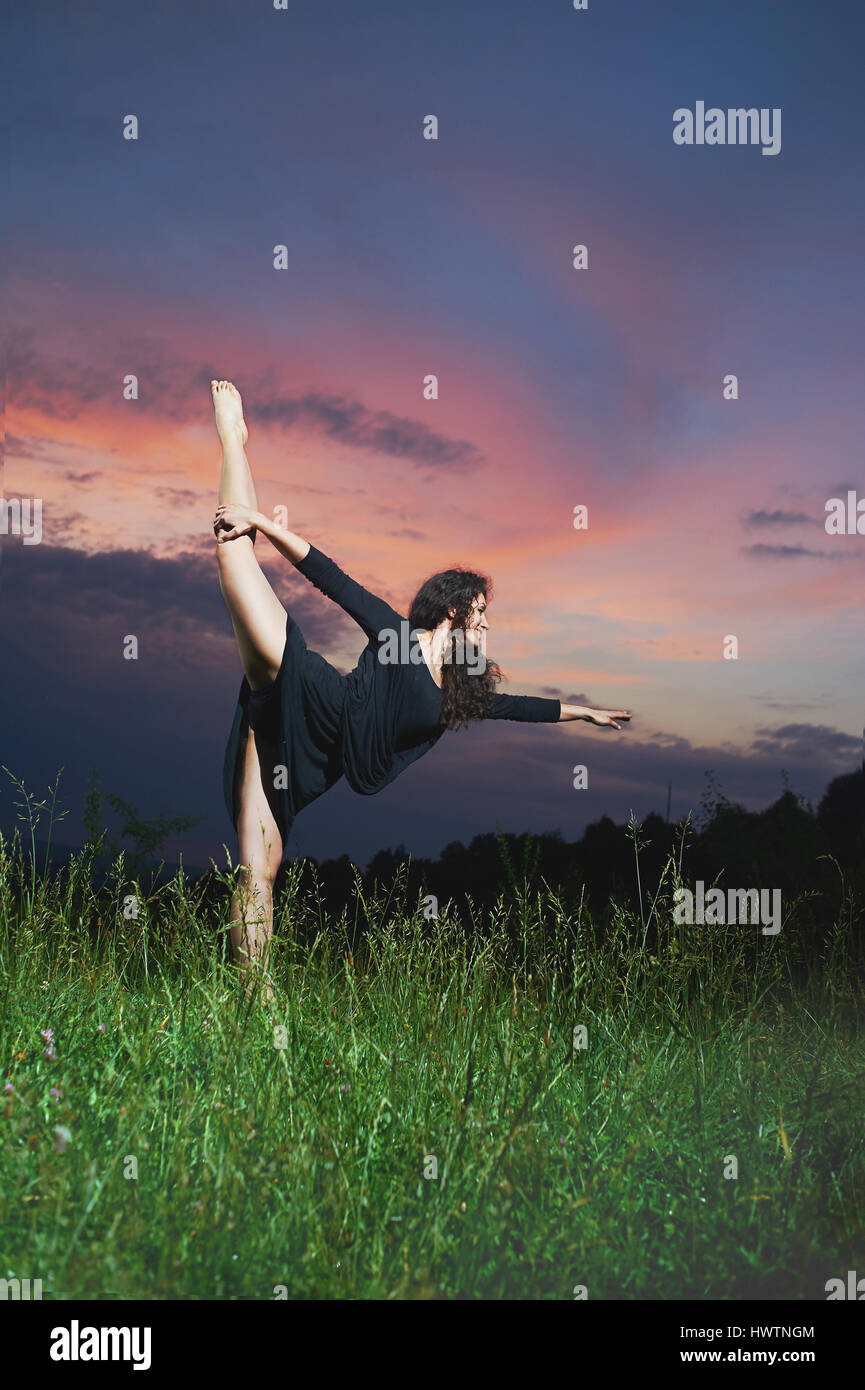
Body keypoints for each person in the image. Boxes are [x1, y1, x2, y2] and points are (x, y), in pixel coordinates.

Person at [210, 380, 630, 990]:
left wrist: (583, 713)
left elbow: (520, 708)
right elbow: (332, 578)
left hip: (308, 759)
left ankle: (251, 1007)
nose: (486, 621)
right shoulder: (395, 635)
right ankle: (233, 439)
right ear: (453, 608)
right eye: (479, 610)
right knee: (234, 555)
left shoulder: (460, 694)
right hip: (305, 689)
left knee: (260, 868)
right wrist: (258, 522)